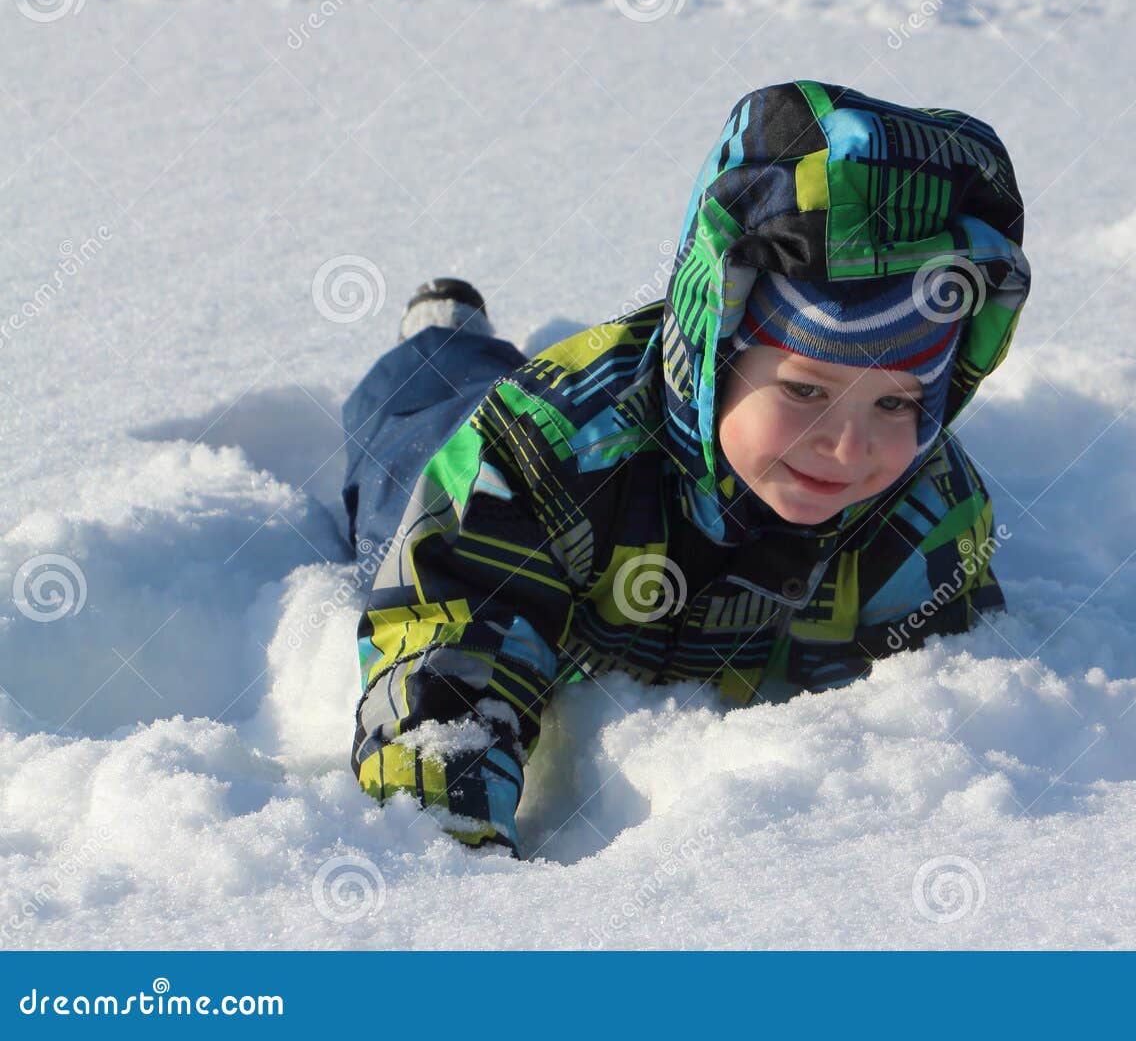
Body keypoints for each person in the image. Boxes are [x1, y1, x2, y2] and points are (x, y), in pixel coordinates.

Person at [341, 79, 1032, 858]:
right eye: (806, 389)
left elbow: (944, 712)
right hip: (460, 438)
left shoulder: (921, 509)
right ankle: (443, 333)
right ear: (716, 354)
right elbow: (447, 656)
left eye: (896, 404)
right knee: (410, 426)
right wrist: (452, 843)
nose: (848, 446)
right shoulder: (542, 453)